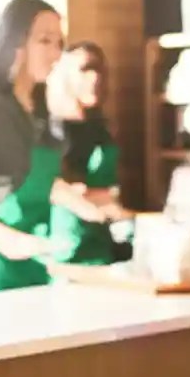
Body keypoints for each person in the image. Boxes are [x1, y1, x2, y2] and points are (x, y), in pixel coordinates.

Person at [0, 0, 107, 297]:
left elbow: (33, 181)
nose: (56, 53)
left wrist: (90, 210)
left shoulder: (38, 112)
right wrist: (11, 241)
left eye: (59, 43)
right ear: (15, 45)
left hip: (32, 274)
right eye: (44, 41)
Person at [47, 41, 133, 267]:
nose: (95, 78)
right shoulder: (47, 131)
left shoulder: (101, 128)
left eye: (99, 70)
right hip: (61, 249)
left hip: (103, 246)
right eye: (85, 70)